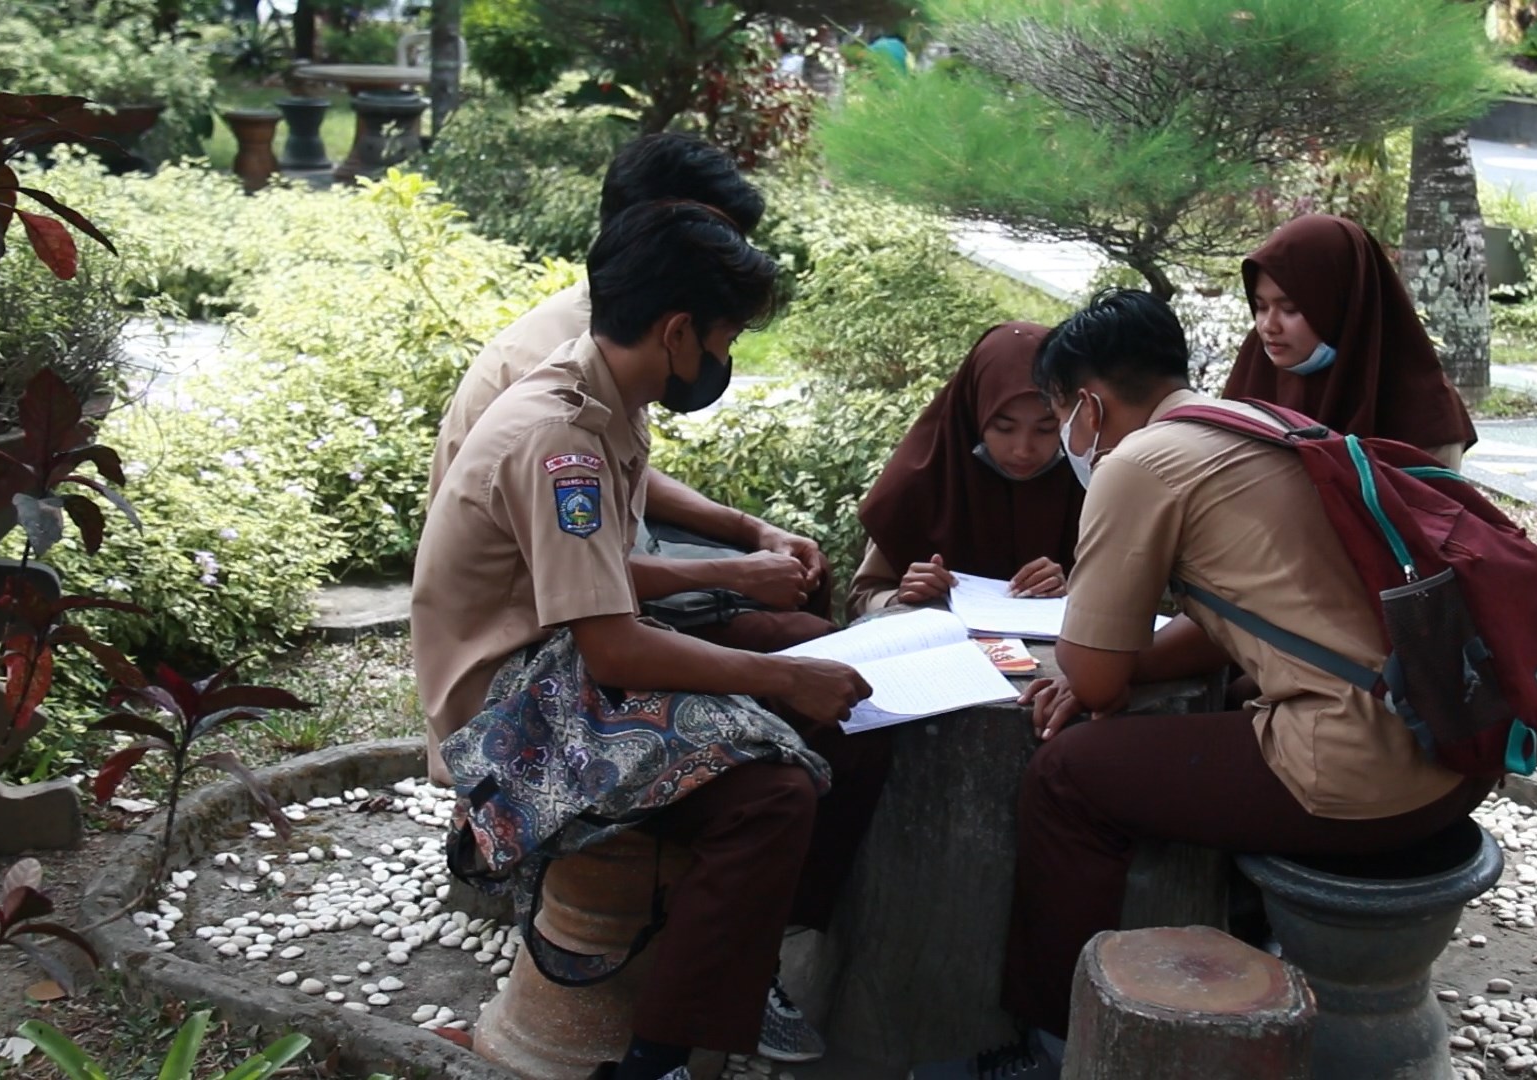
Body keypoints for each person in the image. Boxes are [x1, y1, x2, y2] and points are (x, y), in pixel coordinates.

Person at [913, 290, 1496, 1080]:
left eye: (1058, 415)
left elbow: (1092, 675)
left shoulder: (1141, 462)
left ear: (1087, 403)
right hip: (1455, 746)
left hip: (1361, 770)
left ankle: (1054, 1042)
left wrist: (1099, 673)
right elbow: (1228, 624)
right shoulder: (1258, 426)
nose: (1064, 441)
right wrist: (1122, 667)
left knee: (1065, 778)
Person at [417, 202, 872, 1080]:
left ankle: (744, 946)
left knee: (801, 653)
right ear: (677, 331)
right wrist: (781, 683)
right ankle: (657, 1058)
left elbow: (594, 578)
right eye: (726, 337)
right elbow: (614, 650)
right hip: (505, 707)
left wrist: (738, 575)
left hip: (564, 648)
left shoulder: (597, 391)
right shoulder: (562, 442)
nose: (724, 360)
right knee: (772, 792)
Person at [426, 132, 834, 781]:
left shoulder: (611, 352)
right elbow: (600, 621)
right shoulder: (559, 414)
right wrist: (735, 585)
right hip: (529, 665)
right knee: (774, 771)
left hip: (579, 612)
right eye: (708, 242)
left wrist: (744, 531)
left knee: (802, 636)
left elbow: (618, 496)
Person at [847, 322, 1081, 617]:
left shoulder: (1087, 482)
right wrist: (900, 598)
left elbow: (1124, 602)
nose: (1023, 449)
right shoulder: (921, 481)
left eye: (1046, 429)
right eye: (1004, 427)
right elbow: (862, 598)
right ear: (973, 415)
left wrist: (1072, 590)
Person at [1220, 214, 1477, 470]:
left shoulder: (1421, 411)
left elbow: (1429, 507)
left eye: (1290, 309)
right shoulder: (1254, 375)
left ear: (1344, 305)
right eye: (1261, 306)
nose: (1269, 325)